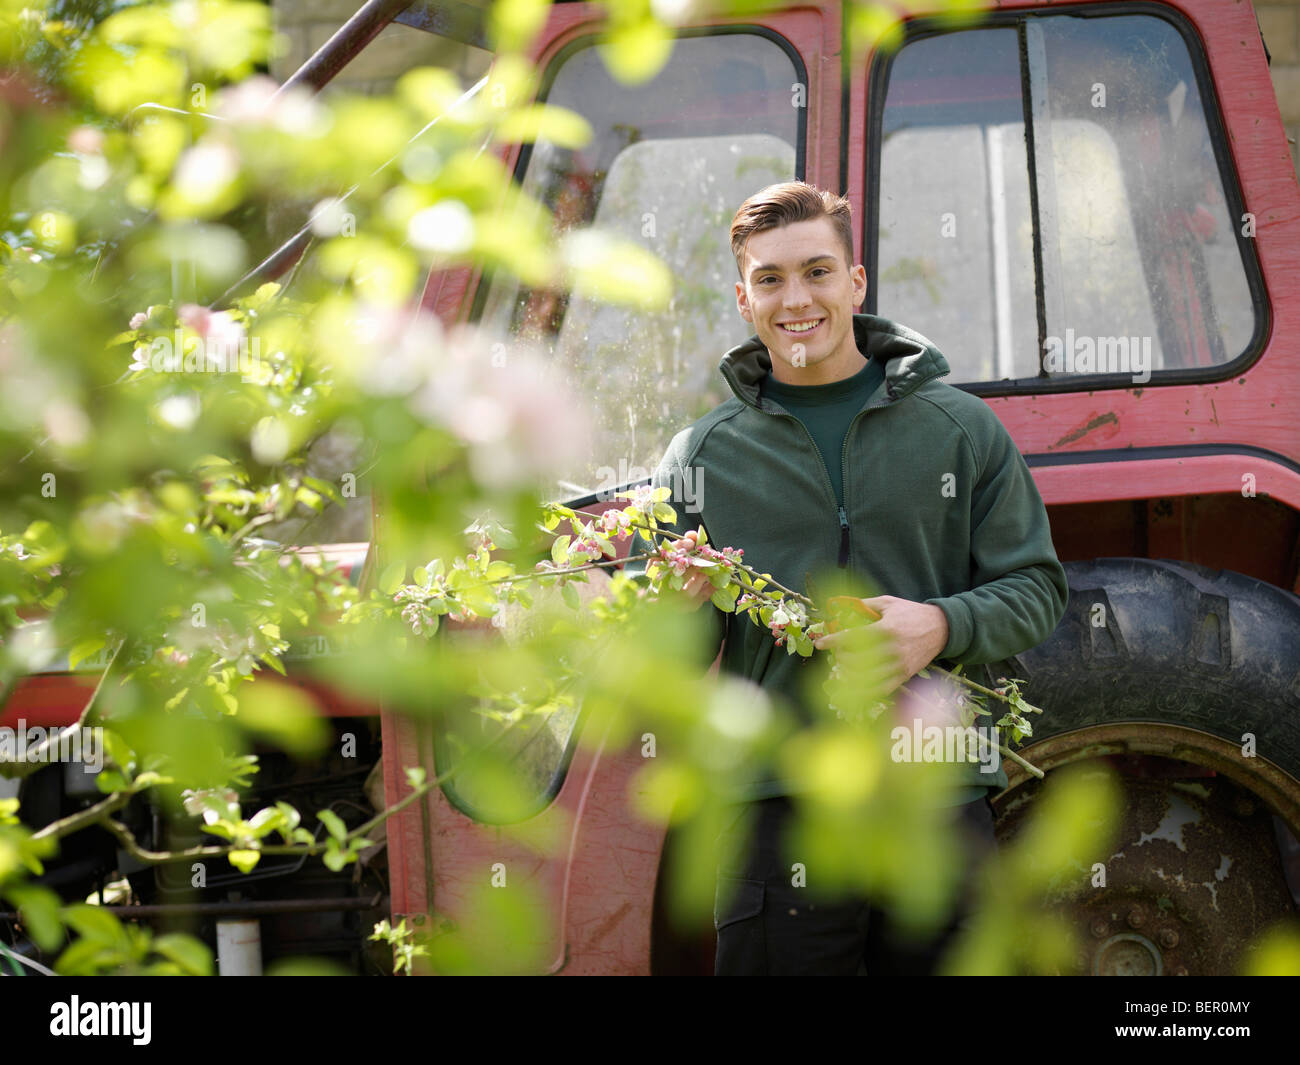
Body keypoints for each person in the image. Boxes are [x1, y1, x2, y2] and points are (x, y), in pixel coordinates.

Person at [626, 181, 1069, 975]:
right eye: (770, 279)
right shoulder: (699, 456)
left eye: (817, 271)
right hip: (773, 811)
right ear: (742, 299)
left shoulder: (961, 430)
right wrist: (669, 611)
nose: (795, 299)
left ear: (856, 282)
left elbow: (1037, 588)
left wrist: (939, 624)